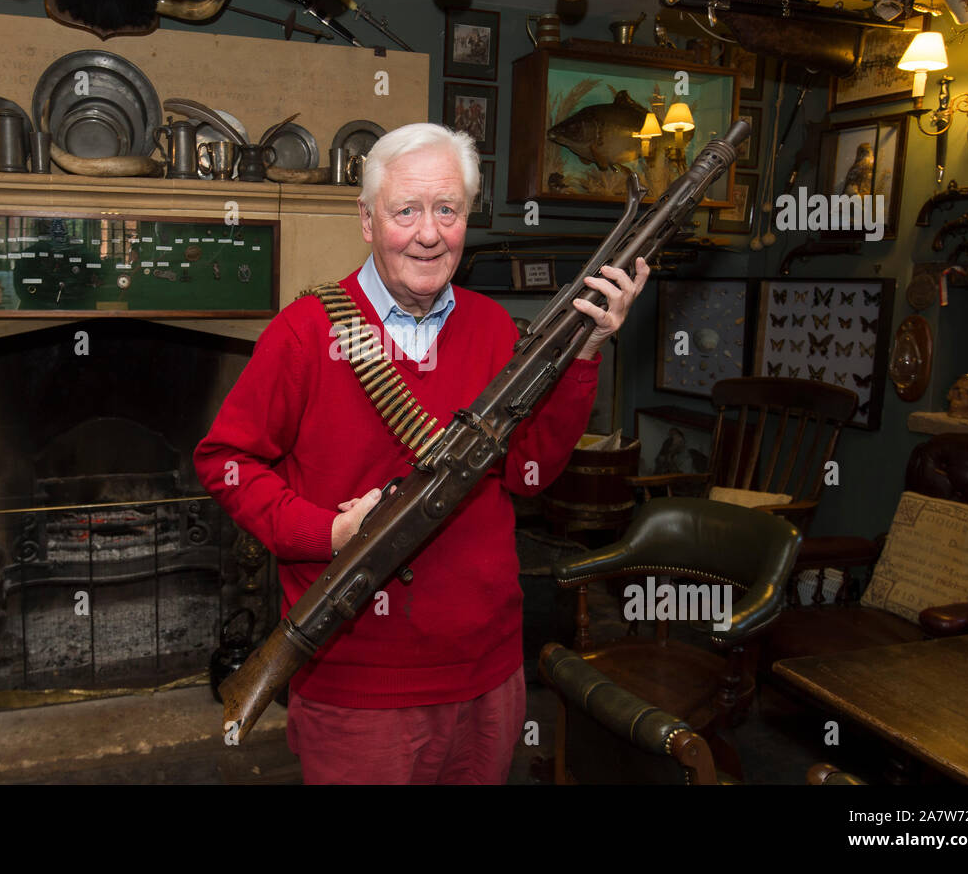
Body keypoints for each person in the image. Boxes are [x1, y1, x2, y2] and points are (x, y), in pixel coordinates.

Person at [193, 122, 648, 784]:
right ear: (368, 220)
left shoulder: (495, 328)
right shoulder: (306, 332)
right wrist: (327, 531)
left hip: (487, 670)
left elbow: (530, 478)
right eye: (406, 210)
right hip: (359, 681)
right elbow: (225, 463)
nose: (429, 233)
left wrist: (583, 353)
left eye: (448, 210)